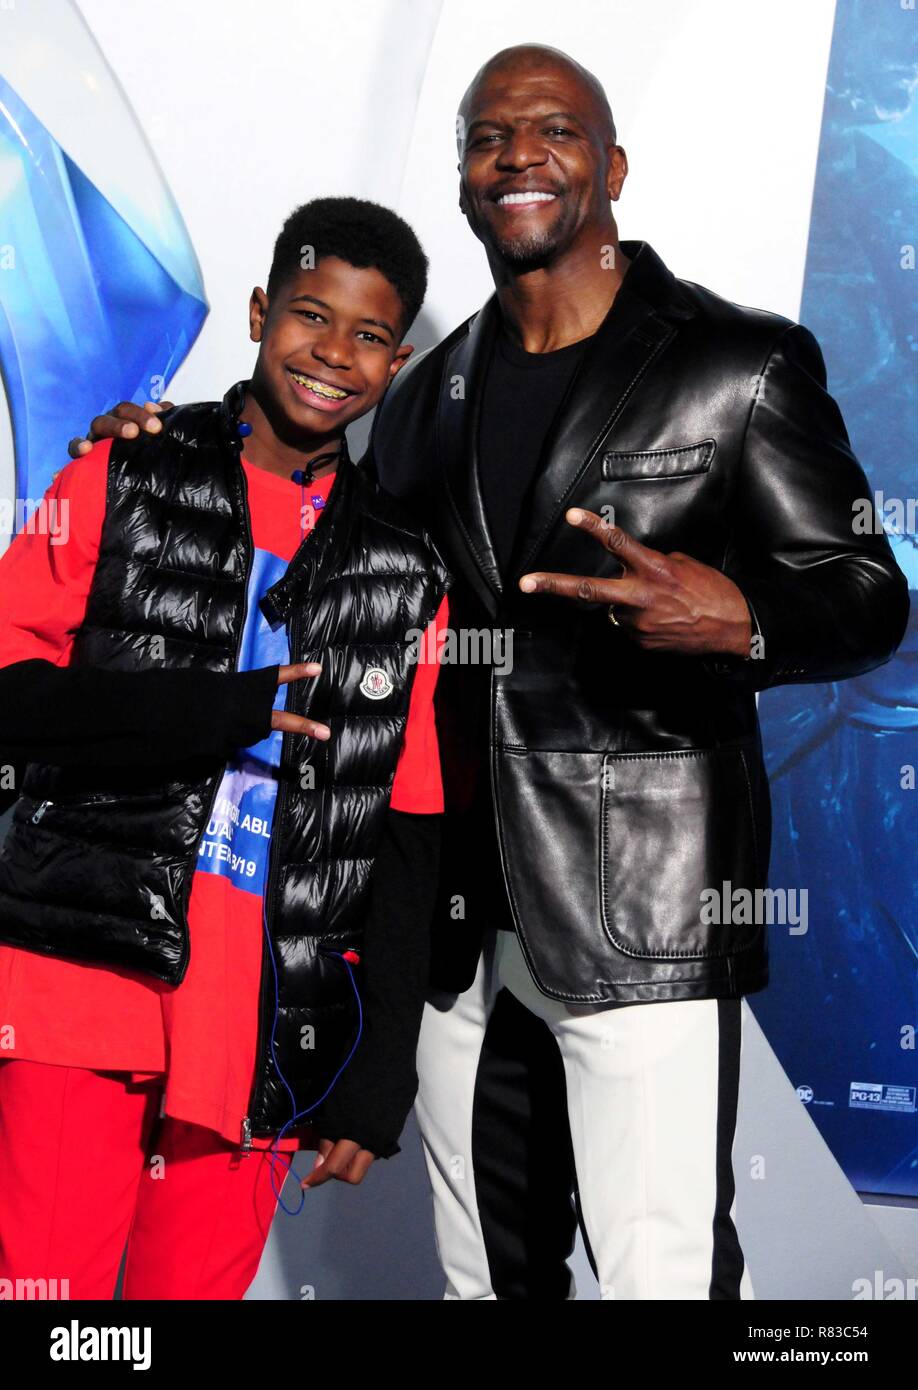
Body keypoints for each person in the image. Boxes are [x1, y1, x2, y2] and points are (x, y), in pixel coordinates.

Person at [72, 44, 910, 1302]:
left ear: (613, 165)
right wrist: (156, 443)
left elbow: (867, 596)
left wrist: (738, 618)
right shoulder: (423, 395)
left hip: (646, 908)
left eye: (555, 130)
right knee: (482, 1278)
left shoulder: (739, 362)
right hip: (456, 917)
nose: (519, 153)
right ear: (464, 180)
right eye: (488, 135)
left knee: (659, 1273)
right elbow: (320, 531)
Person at [0, 196, 449, 1300]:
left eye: (371, 336)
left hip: (260, 1018)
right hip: (77, 977)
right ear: (258, 311)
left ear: (394, 363)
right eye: (309, 315)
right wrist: (215, 710)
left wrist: (376, 1076)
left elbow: (406, 830)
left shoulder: (404, 571)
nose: (333, 354)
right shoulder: (125, 472)